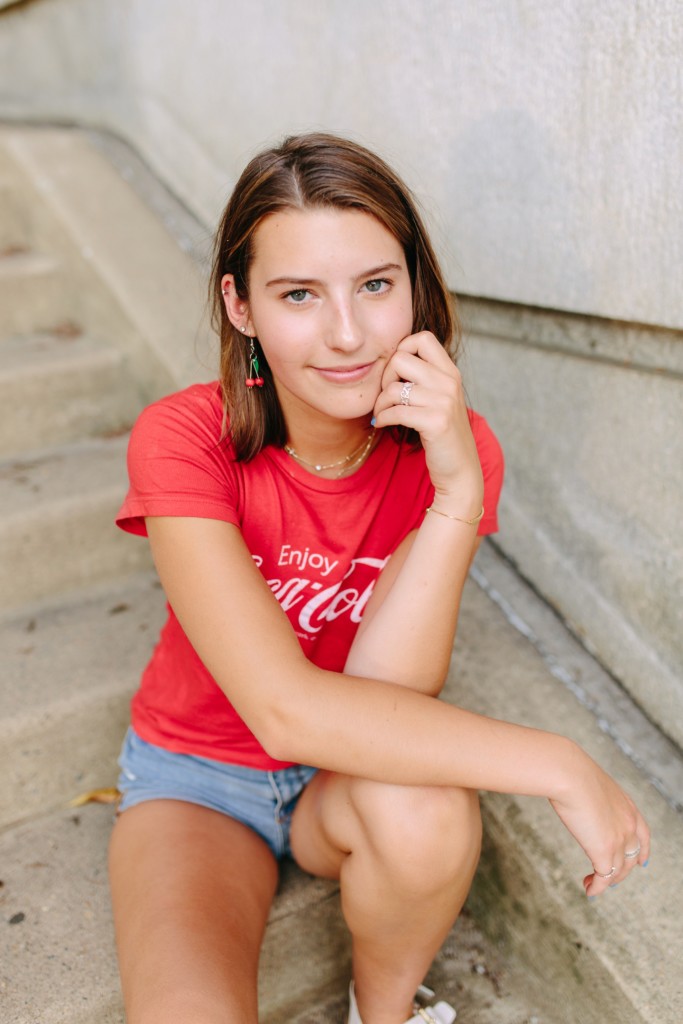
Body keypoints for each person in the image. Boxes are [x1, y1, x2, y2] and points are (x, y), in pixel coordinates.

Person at [109, 132, 650, 1024]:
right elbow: (283, 710)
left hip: (347, 774)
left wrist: (455, 496)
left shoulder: (456, 452)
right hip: (201, 775)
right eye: (297, 295)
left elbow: (386, 693)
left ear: (414, 289)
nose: (349, 334)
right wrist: (557, 763)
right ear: (239, 306)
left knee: (426, 812)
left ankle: (383, 1013)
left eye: (374, 284)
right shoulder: (184, 440)